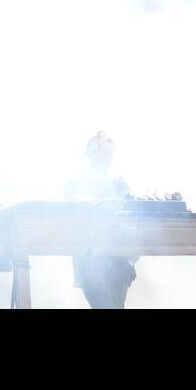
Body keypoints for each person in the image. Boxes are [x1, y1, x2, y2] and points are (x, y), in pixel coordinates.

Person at [64, 131, 137, 309]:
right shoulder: (76, 182)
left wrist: (132, 259)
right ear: (92, 155)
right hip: (91, 259)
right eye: (104, 153)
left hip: (119, 262)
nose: (108, 158)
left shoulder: (119, 182)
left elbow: (132, 216)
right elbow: (72, 200)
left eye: (110, 154)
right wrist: (104, 204)